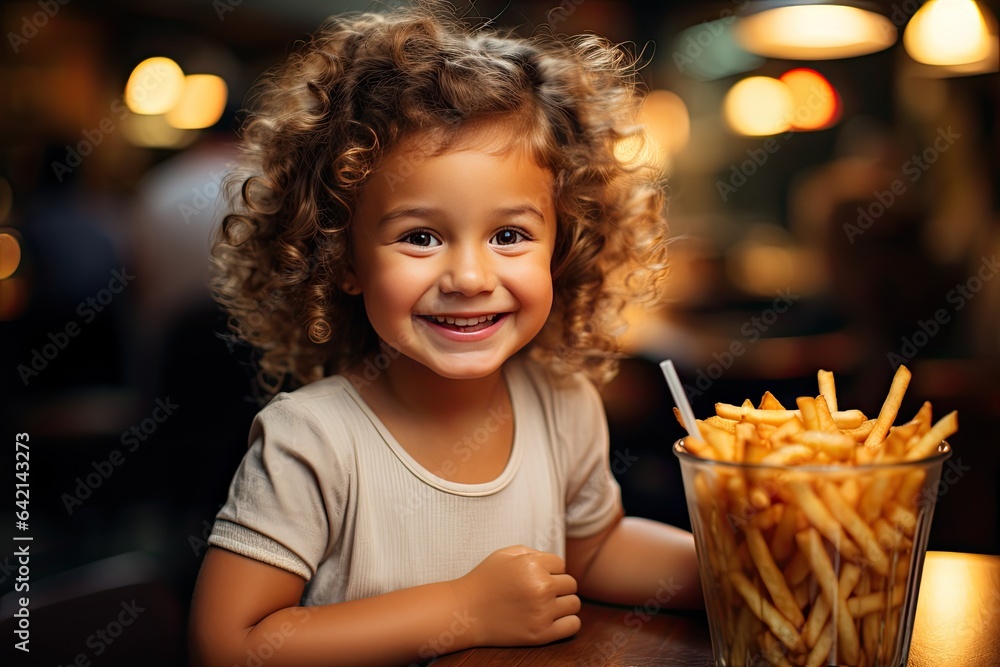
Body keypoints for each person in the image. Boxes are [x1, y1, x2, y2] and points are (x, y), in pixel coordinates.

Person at [189, 3, 701, 665]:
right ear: (343, 259)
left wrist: (731, 562)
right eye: (420, 236)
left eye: (509, 235)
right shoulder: (311, 441)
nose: (468, 275)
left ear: (562, 247)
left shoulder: (562, 402)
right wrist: (462, 609)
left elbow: (594, 548)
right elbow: (225, 644)